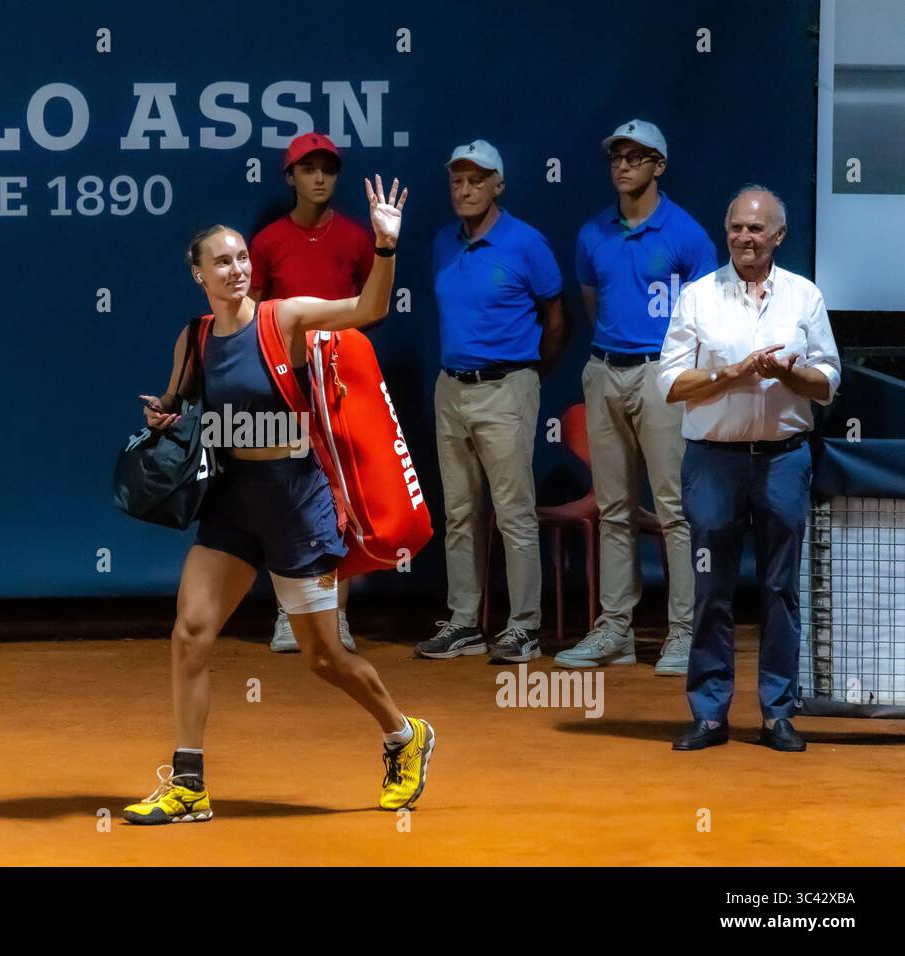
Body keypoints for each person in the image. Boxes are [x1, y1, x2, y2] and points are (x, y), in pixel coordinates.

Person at [123, 175, 435, 824]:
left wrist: (385, 246)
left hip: (296, 507)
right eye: (223, 261)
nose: (237, 269)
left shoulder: (282, 319)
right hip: (232, 509)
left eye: (242, 258)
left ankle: (405, 735)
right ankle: (188, 785)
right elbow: (182, 408)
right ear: (198, 274)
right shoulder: (195, 338)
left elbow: (367, 309)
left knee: (322, 657)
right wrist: (165, 419)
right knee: (190, 637)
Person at [658, 185, 841, 753]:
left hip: (784, 462)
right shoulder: (696, 297)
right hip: (714, 464)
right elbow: (669, 382)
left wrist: (789, 374)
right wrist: (732, 373)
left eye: (756, 229)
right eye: (736, 227)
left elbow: (829, 383)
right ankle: (710, 716)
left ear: (778, 236)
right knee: (711, 588)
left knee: (781, 589)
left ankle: (778, 714)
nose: (744, 237)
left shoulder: (804, 297)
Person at [555, 120, 717, 675]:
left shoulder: (688, 235)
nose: (623, 166)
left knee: (673, 509)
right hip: (604, 370)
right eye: (616, 158)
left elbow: (705, 318)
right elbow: (593, 304)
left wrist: (664, 365)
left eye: (636, 157)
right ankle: (615, 630)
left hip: (662, 375)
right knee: (615, 509)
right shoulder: (591, 233)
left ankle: (683, 632)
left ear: (659, 165)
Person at [416, 139, 565, 665]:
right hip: (450, 387)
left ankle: (523, 627)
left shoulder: (526, 243)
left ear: (498, 185)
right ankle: (464, 623)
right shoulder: (442, 243)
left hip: (507, 388)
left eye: (476, 180)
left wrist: (524, 375)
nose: (465, 189)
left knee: (513, 515)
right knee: (459, 513)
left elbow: (557, 317)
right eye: (457, 180)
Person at [249, 132, 376, 655]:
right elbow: (252, 319)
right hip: (287, 384)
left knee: (341, 499)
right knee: (288, 498)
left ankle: (337, 615)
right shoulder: (267, 242)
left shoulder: (356, 238)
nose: (319, 178)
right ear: (290, 178)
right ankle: (289, 617)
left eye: (328, 169)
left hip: (342, 382)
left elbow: (374, 303)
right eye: (308, 169)